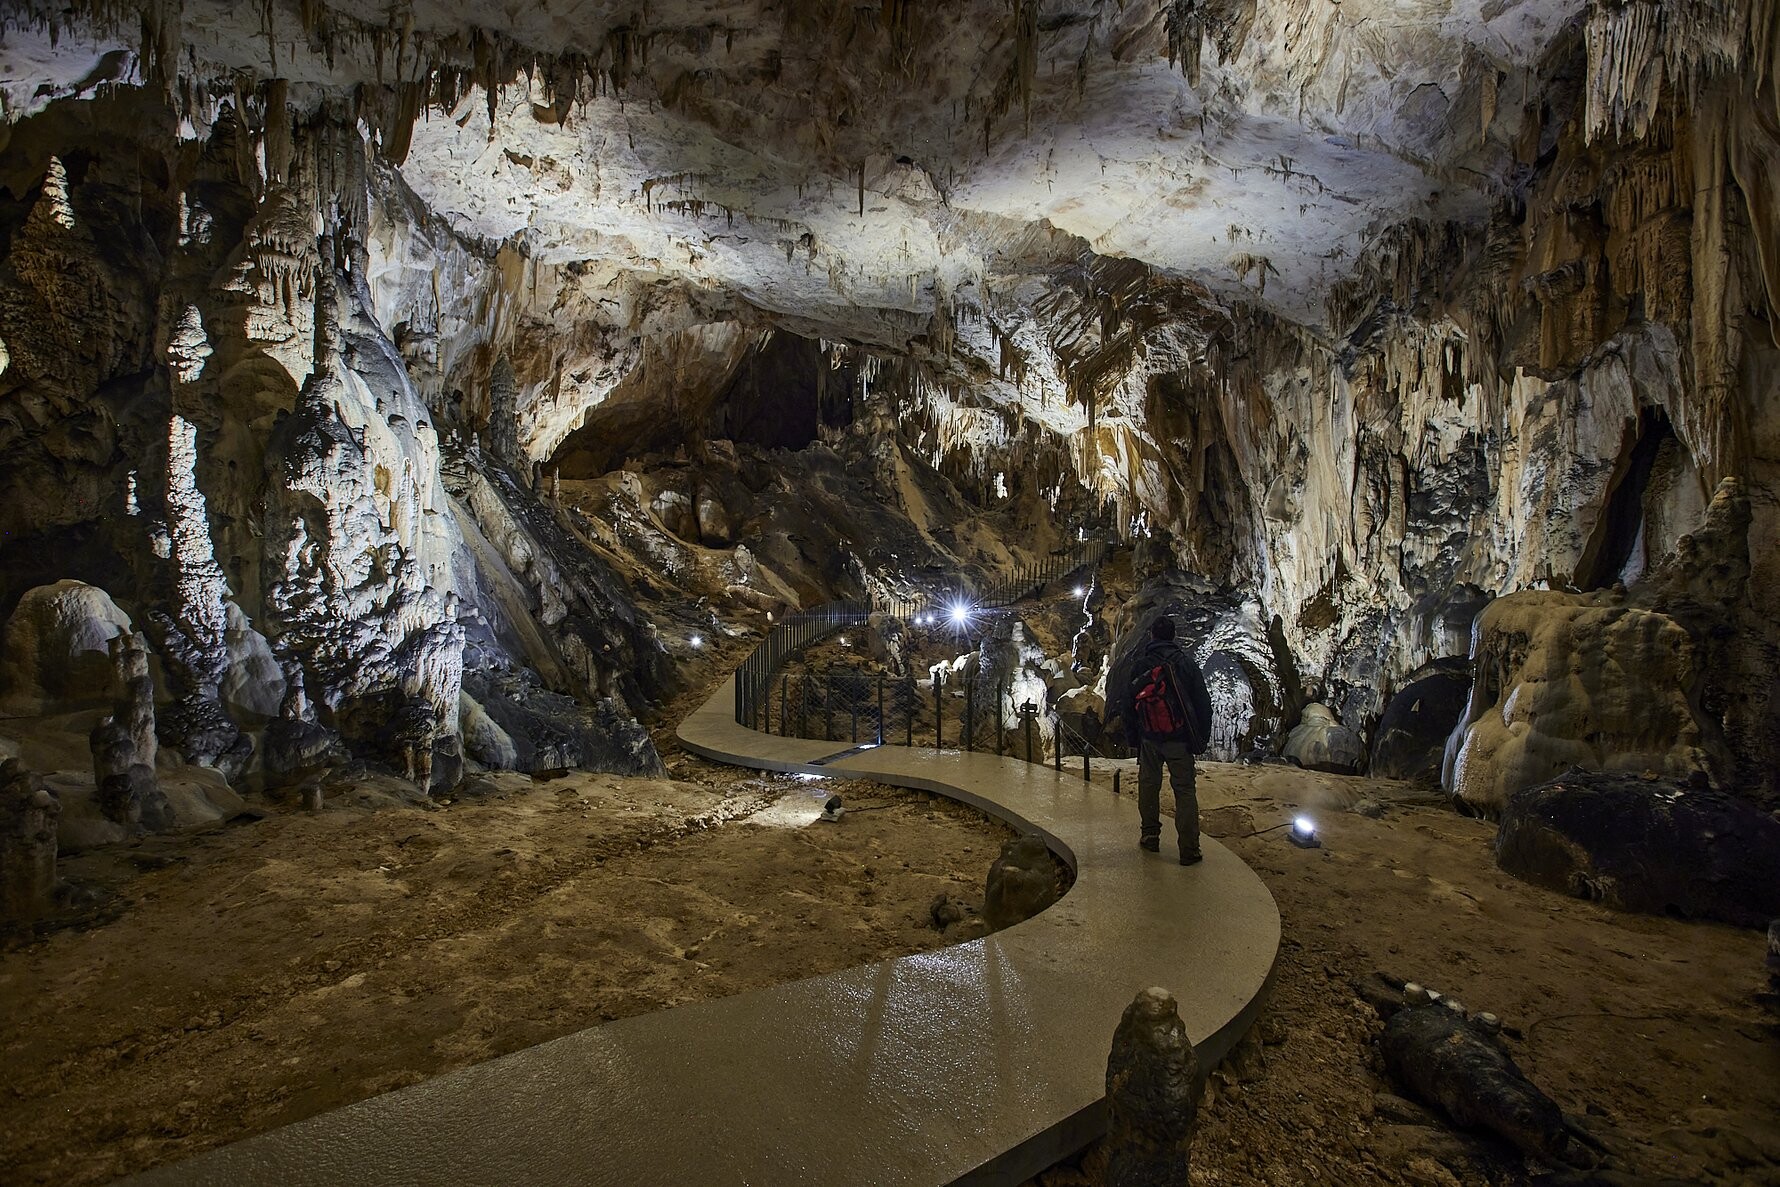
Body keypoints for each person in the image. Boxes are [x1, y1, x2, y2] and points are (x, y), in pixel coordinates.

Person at [1117, 615, 1214, 865]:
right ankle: (1189, 849)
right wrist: (1199, 738)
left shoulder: (1141, 665)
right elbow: (1203, 703)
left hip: (1149, 739)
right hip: (1179, 740)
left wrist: (1134, 738)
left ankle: (1150, 835)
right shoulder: (1186, 664)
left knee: (1149, 787)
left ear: (1152, 636)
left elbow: (1128, 704)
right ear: (1173, 636)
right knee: (1184, 791)